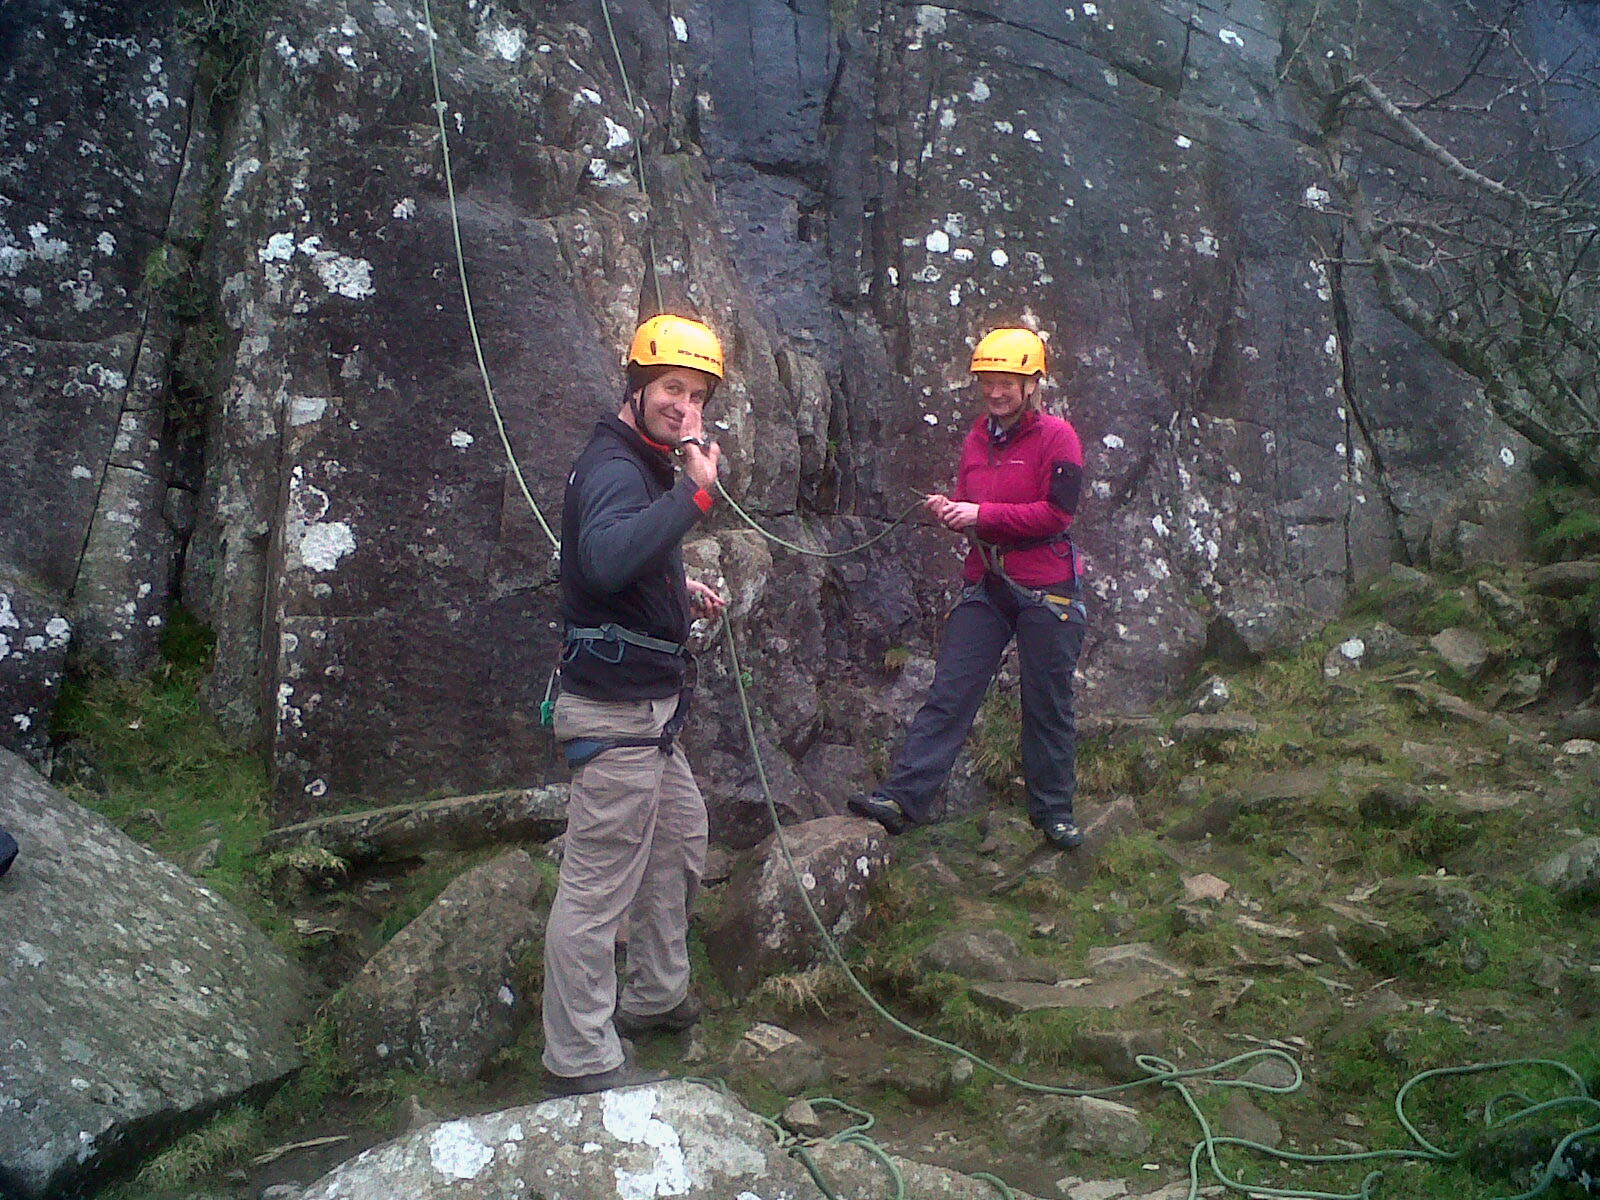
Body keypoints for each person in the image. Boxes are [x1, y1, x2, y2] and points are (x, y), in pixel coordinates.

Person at [541, 313, 728, 1096]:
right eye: (670, 390)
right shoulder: (621, 467)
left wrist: (674, 588)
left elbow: (614, 564)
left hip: (651, 712)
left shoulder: (639, 461)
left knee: (680, 846)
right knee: (596, 888)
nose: (684, 408)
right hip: (617, 714)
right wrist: (695, 495)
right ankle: (579, 1055)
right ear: (637, 386)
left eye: (697, 395)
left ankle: (654, 996)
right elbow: (606, 554)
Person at [849, 327, 1088, 851]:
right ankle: (901, 798)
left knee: (1047, 703)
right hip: (987, 582)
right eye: (988, 381)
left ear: (1031, 385)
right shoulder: (977, 439)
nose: (995, 392)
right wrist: (953, 511)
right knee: (950, 692)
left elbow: (1058, 512)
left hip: (1045, 588)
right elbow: (971, 502)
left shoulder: (1058, 438)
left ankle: (1054, 813)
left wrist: (983, 513)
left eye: (1007, 382)